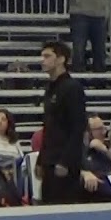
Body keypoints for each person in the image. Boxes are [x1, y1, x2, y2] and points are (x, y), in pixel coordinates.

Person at [37, 41, 88, 205]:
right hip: (49, 160)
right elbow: (48, 128)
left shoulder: (73, 88)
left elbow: (77, 128)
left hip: (64, 162)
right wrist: (41, 159)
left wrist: (66, 161)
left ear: (61, 59)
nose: (42, 60)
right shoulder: (50, 88)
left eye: (47, 56)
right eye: (42, 56)